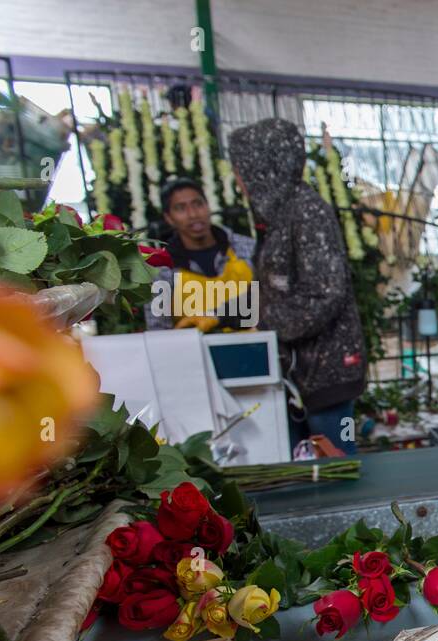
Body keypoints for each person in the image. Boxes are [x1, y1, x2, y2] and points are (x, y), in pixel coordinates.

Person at [227, 118, 365, 456]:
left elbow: (324, 293)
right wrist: (230, 313)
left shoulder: (306, 212)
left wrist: (262, 321)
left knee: (336, 465)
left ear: (264, 167)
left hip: (326, 374)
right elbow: (278, 286)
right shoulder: (281, 215)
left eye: (241, 168)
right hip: (301, 371)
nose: (238, 179)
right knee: (305, 469)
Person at [147, 177, 257, 332]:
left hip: (257, 347)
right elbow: (158, 330)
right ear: (169, 218)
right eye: (180, 208)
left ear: (208, 206)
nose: (193, 214)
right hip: (193, 354)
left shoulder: (246, 248)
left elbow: (269, 300)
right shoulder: (162, 269)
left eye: (198, 204)